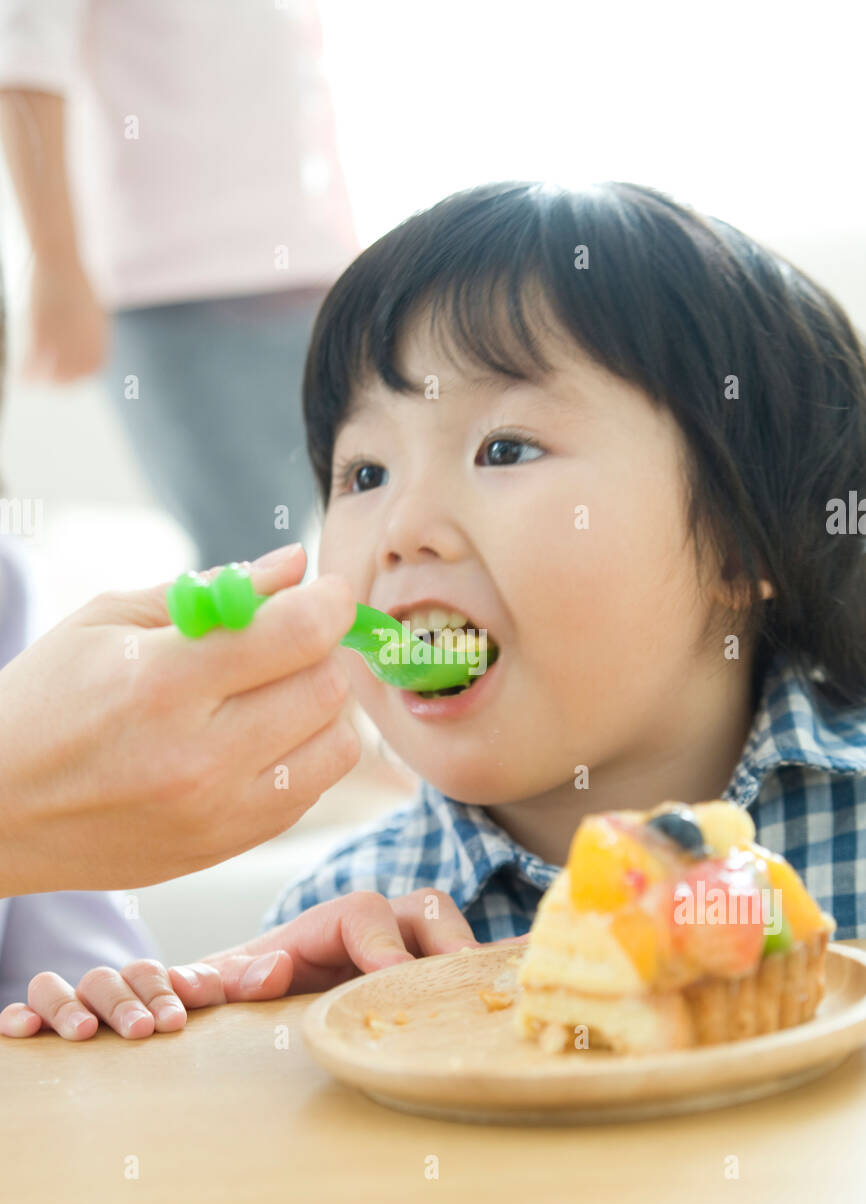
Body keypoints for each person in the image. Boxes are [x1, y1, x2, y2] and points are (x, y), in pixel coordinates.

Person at [5, 179, 866, 1042]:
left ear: (742, 543)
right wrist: (186, 1051)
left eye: (505, 449)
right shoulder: (344, 924)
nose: (403, 529)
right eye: (365, 474)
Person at [0, 0, 359, 567]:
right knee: (252, 564)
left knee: (326, 547)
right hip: (180, 291)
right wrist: (56, 262)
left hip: (317, 280)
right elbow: (26, 62)